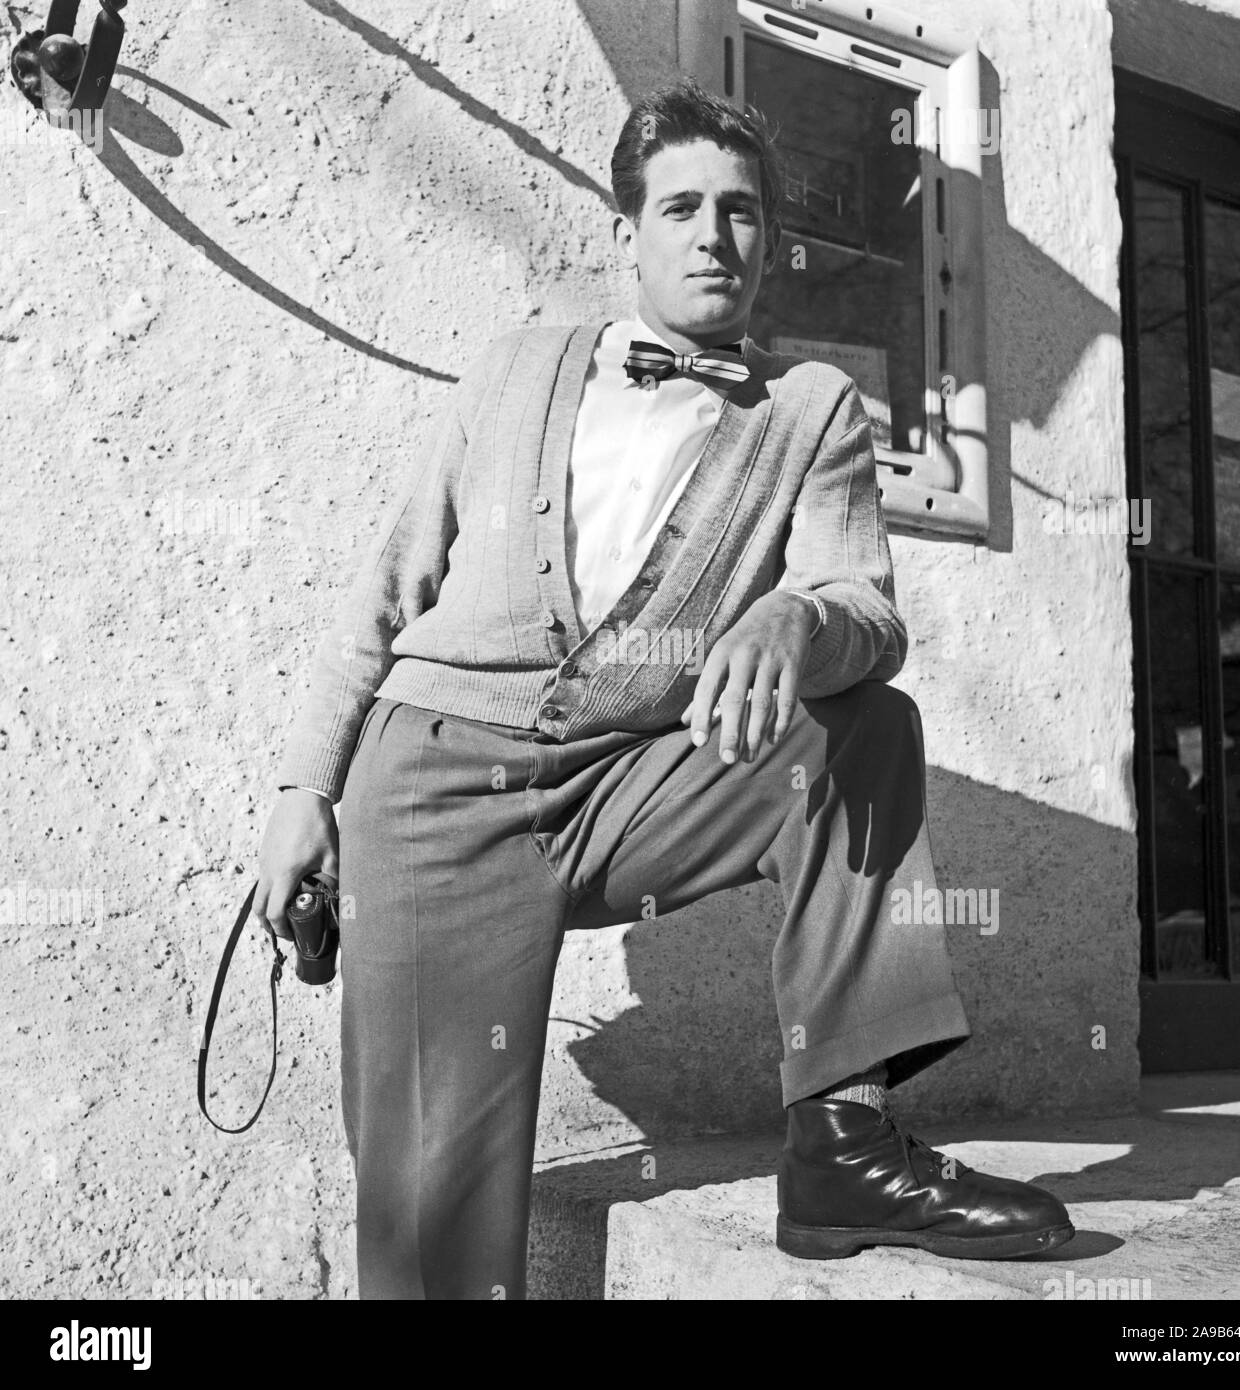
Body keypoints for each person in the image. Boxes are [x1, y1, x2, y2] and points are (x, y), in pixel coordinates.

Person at [254, 76, 1073, 1300]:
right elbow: (387, 591)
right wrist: (300, 788)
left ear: (770, 244)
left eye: (740, 212)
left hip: (626, 783)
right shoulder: (517, 367)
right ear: (625, 231)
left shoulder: (812, 409)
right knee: (436, 1235)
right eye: (681, 206)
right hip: (430, 792)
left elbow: (869, 608)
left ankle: (842, 1144)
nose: (713, 234)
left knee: (862, 734)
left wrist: (795, 617)